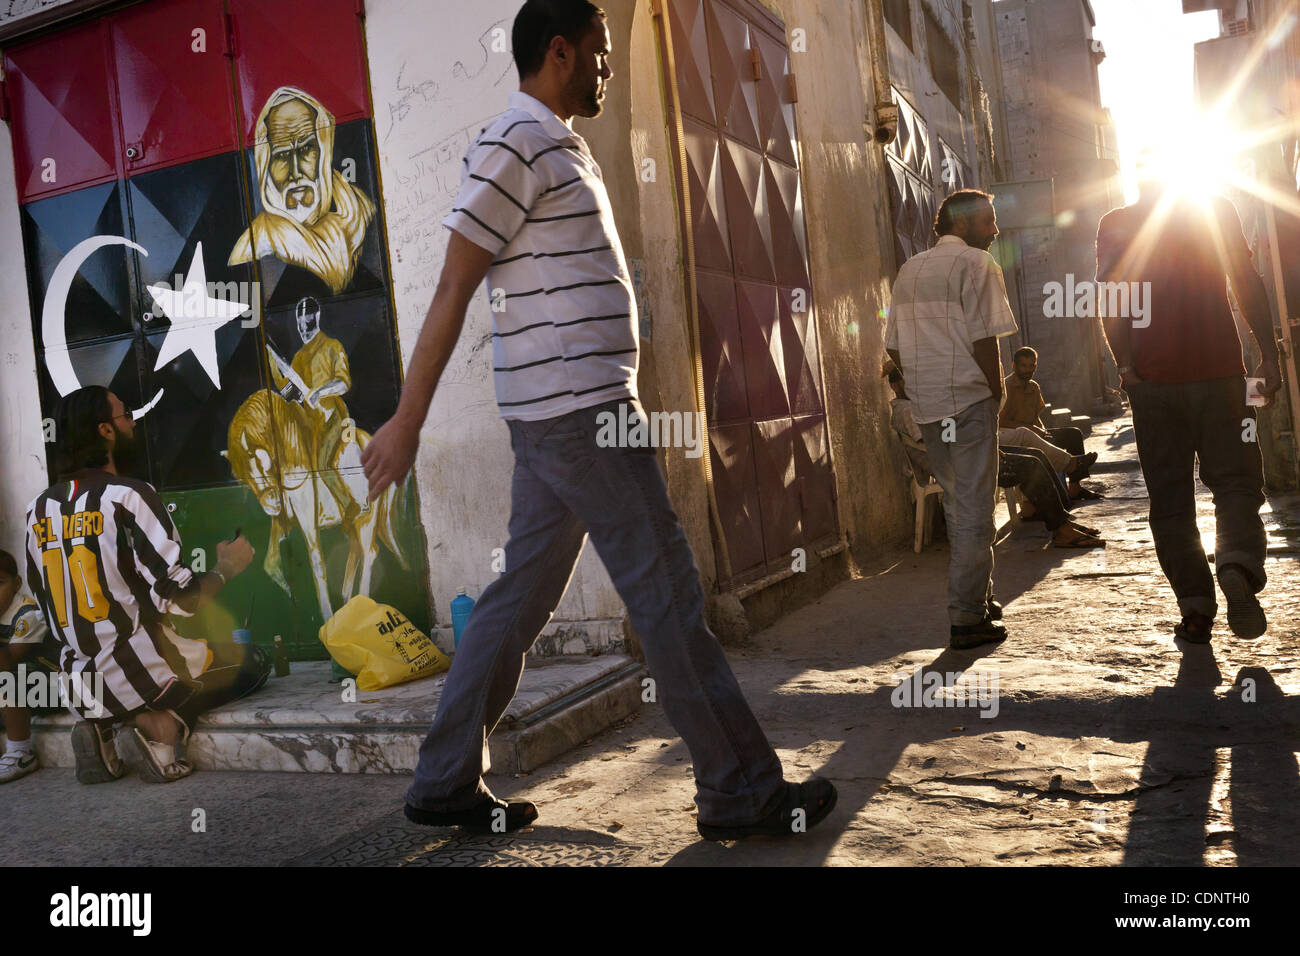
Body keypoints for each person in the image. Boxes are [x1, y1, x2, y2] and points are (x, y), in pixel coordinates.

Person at [360, 0, 835, 842]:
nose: (609, 68)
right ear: (558, 52)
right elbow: (451, 287)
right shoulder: (514, 141)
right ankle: (741, 787)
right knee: (666, 589)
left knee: (517, 598)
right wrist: (407, 421)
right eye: (600, 53)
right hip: (581, 414)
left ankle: (442, 781)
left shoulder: (556, 143)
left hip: (563, 417)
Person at [24, 386, 271, 784]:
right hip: (140, 671)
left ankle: (100, 727)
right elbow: (183, 601)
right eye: (125, 415)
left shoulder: (38, 509)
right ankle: (159, 728)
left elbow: (42, 598)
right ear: (105, 430)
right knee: (252, 662)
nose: (133, 422)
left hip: (77, 680)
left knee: (145, 658)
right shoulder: (130, 496)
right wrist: (226, 568)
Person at [1096, 153, 1282, 642]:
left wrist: (1126, 366)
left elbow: (1111, 300)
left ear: (1139, 181)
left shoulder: (1116, 224)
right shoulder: (1216, 211)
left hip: (1154, 386)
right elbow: (1247, 283)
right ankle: (1238, 562)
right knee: (1238, 481)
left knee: (1171, 499)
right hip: (1222, 379)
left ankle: (1196, 608)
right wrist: (1269, 356)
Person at [886, 189, 1019, 649]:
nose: (996, 231)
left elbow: (893, 346)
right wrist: (996, 392)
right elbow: (986, 340)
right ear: (961, 225)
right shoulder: (978, 266)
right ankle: (966, 617)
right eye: (988, 221)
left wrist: (916, 386)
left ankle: (979, 601)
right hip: (969, 399)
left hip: (928, 407)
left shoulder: (910, 269)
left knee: (957, 505)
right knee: (976, 511)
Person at [888, 368, 1103, 548]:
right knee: (1030, 465)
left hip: (963, 458)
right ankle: (1061, 529)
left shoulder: (921, 408)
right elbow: (935, 445)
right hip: (957, 466)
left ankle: (1061, 521)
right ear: (895, 386)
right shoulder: (906, 410)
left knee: (1034, 455)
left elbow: (949, 435)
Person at [1000, 346, 1102, 501]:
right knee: (1033, 439)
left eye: (1031, 366)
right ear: (1014, 366)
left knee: (1073, 434)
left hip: (1033, 431)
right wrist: (1032, 429)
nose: (1027, 370)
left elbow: (1035, 417)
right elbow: (1001, 421)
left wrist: (1041, 431)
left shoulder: (1034, 387)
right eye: (1023, 366)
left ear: (1035, 366)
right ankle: (1067, 471)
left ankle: (1075, 487)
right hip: (1014, 435)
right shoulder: (1006, 387)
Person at [0, 549, 63, 783]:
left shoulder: (27, 614)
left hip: (57, 688)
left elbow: (7, 662)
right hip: (24, 696)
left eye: (0, 583)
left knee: (6, 679)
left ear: (17, 584)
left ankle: (20, 752)